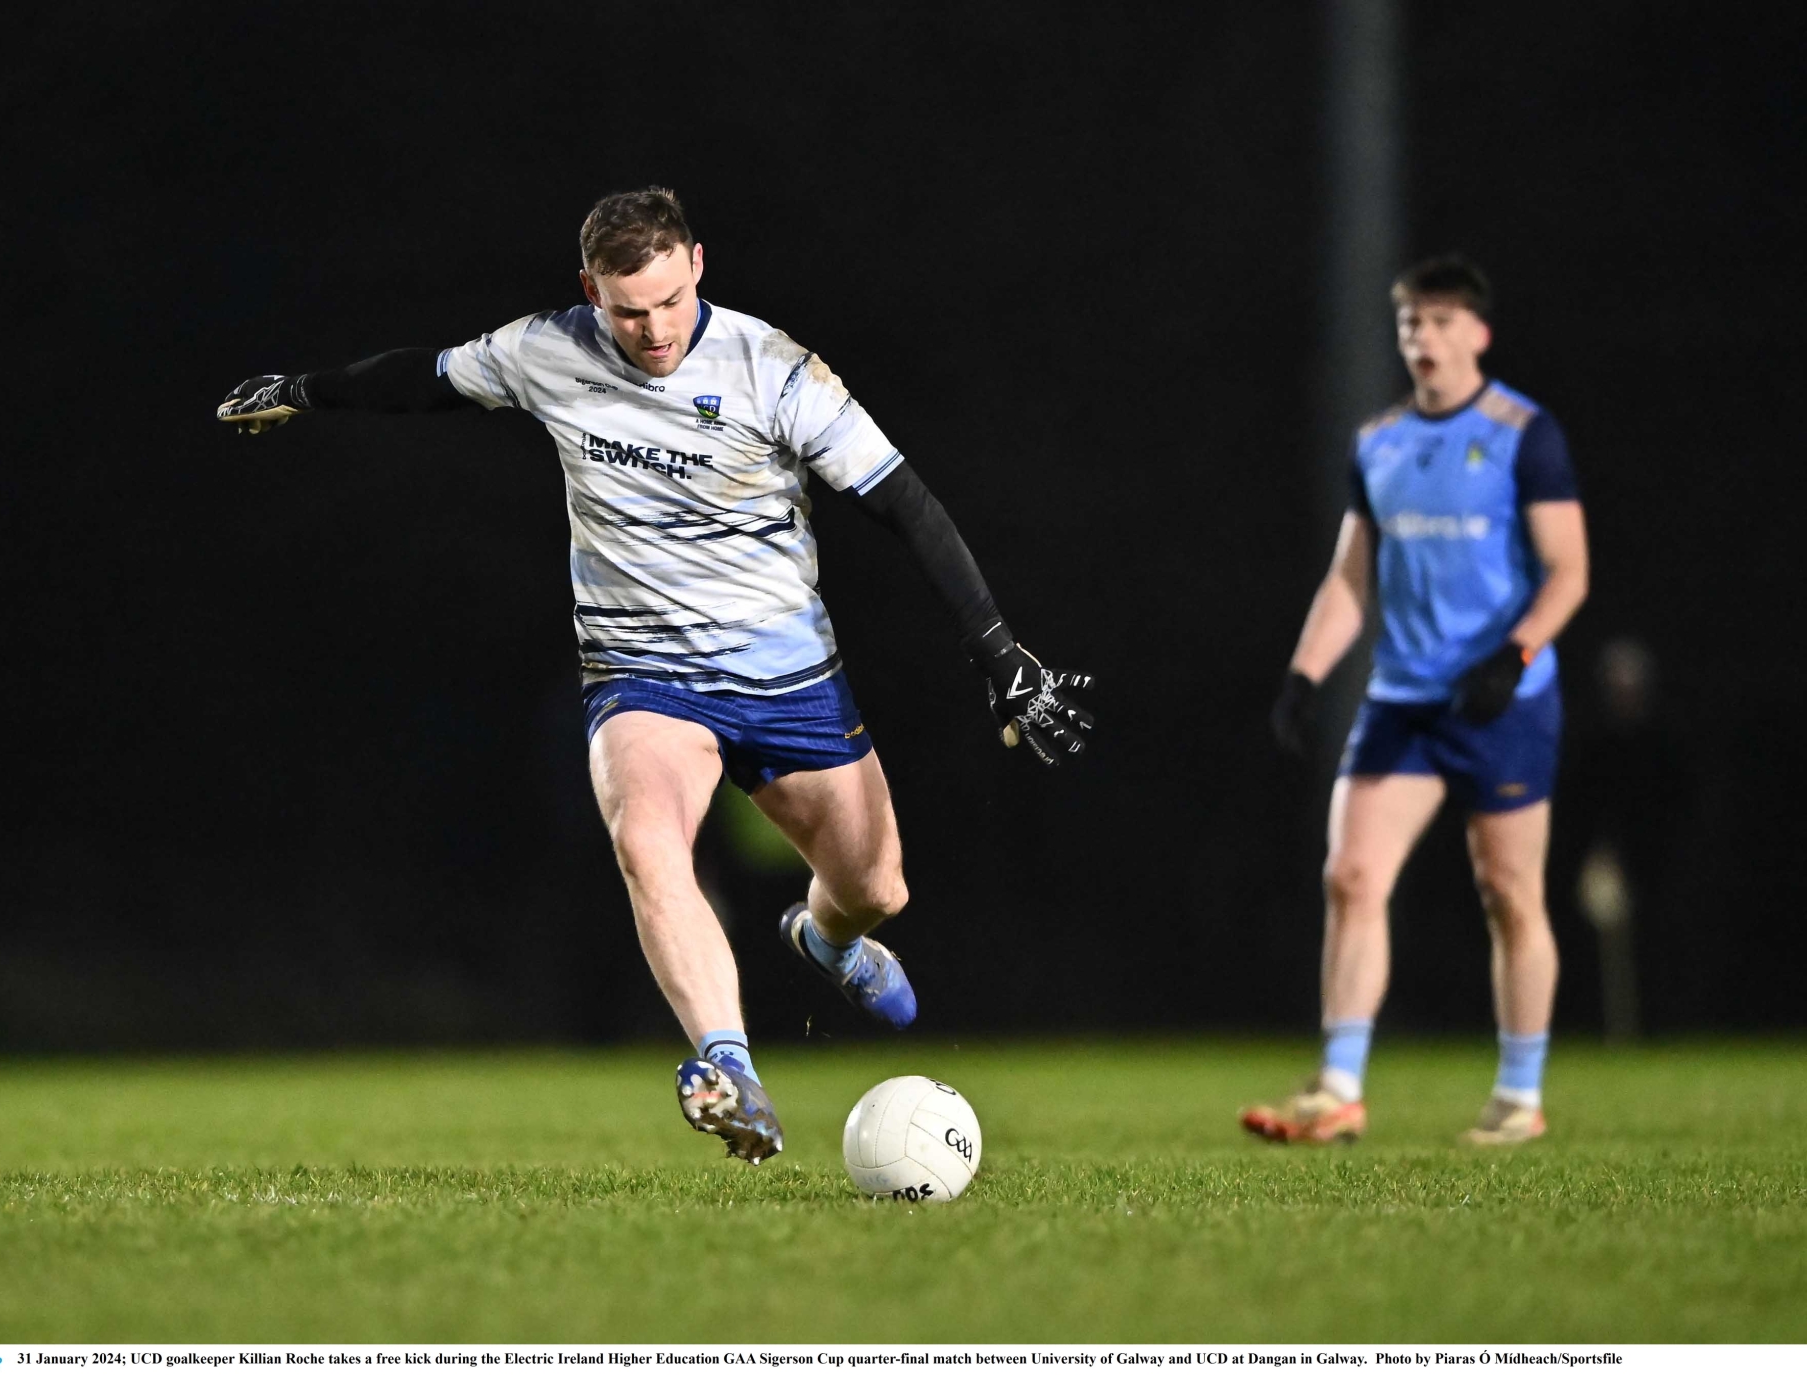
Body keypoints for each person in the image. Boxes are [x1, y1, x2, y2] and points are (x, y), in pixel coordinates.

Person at [216, 188, 1093, 1165]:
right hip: (641, 670)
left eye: (671, 300)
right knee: (649, 843)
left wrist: (999, 651)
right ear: (590, 289)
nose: (655, 329)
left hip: (787, 675)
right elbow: (423, 379)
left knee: (876, 885)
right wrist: (303, 389)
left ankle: (828, 940)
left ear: (698, 266)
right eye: (630, 310)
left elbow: (905, 503)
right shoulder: (547, 350)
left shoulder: (772, 367)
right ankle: (731, 1070)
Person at [1248, 254, 1588, 1147]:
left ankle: (1518, 1095)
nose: (1424, 338)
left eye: (1440, 321)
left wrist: (1515, 655)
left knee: (1508, 891)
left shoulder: (1524, 433)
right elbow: (1351, 578)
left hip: (1503, 702)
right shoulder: (1380, 441)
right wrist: (1304, 675)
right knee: (1352, 875)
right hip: (1403, 700)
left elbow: (1569, 570)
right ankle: (1339, 1087)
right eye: (1411, 324)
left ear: (1477, 332)